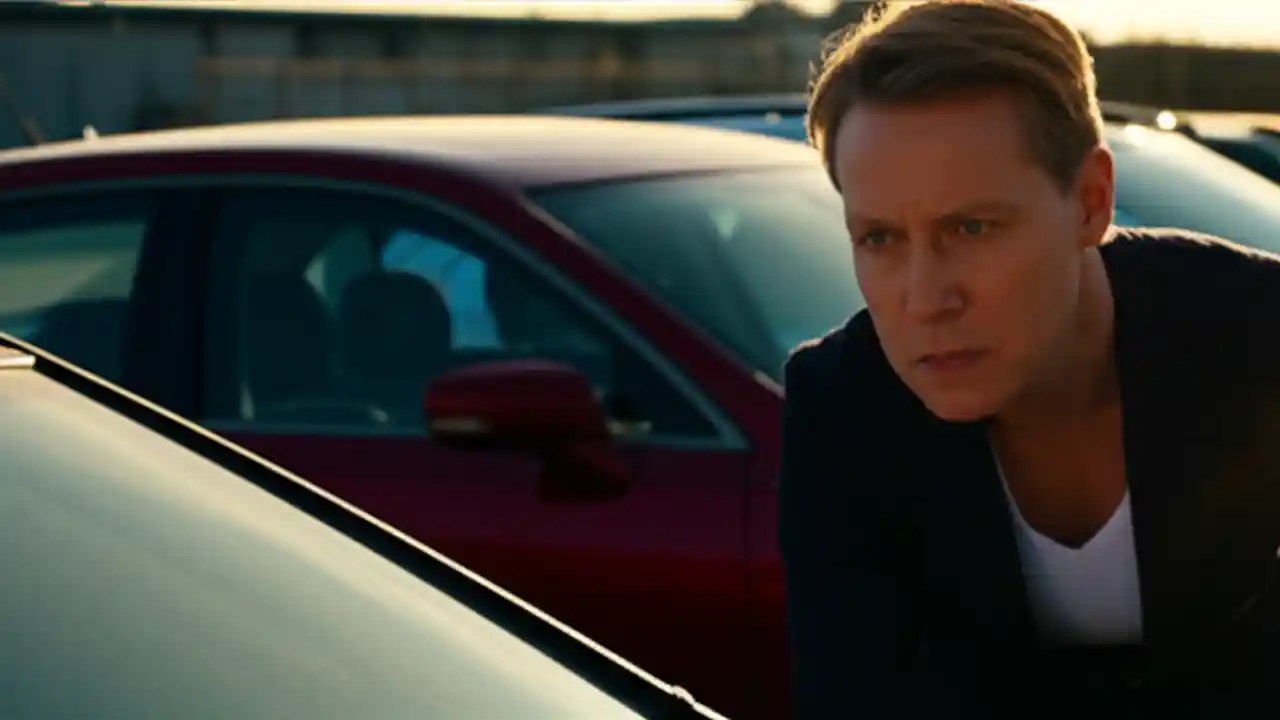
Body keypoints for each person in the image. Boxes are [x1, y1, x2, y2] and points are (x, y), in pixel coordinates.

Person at [779, 1, 1280, 717]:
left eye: (971, 228)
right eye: (880, 238)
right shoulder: (843, 407)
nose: (925, 298)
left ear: (1090, 202)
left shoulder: (1257, 337)